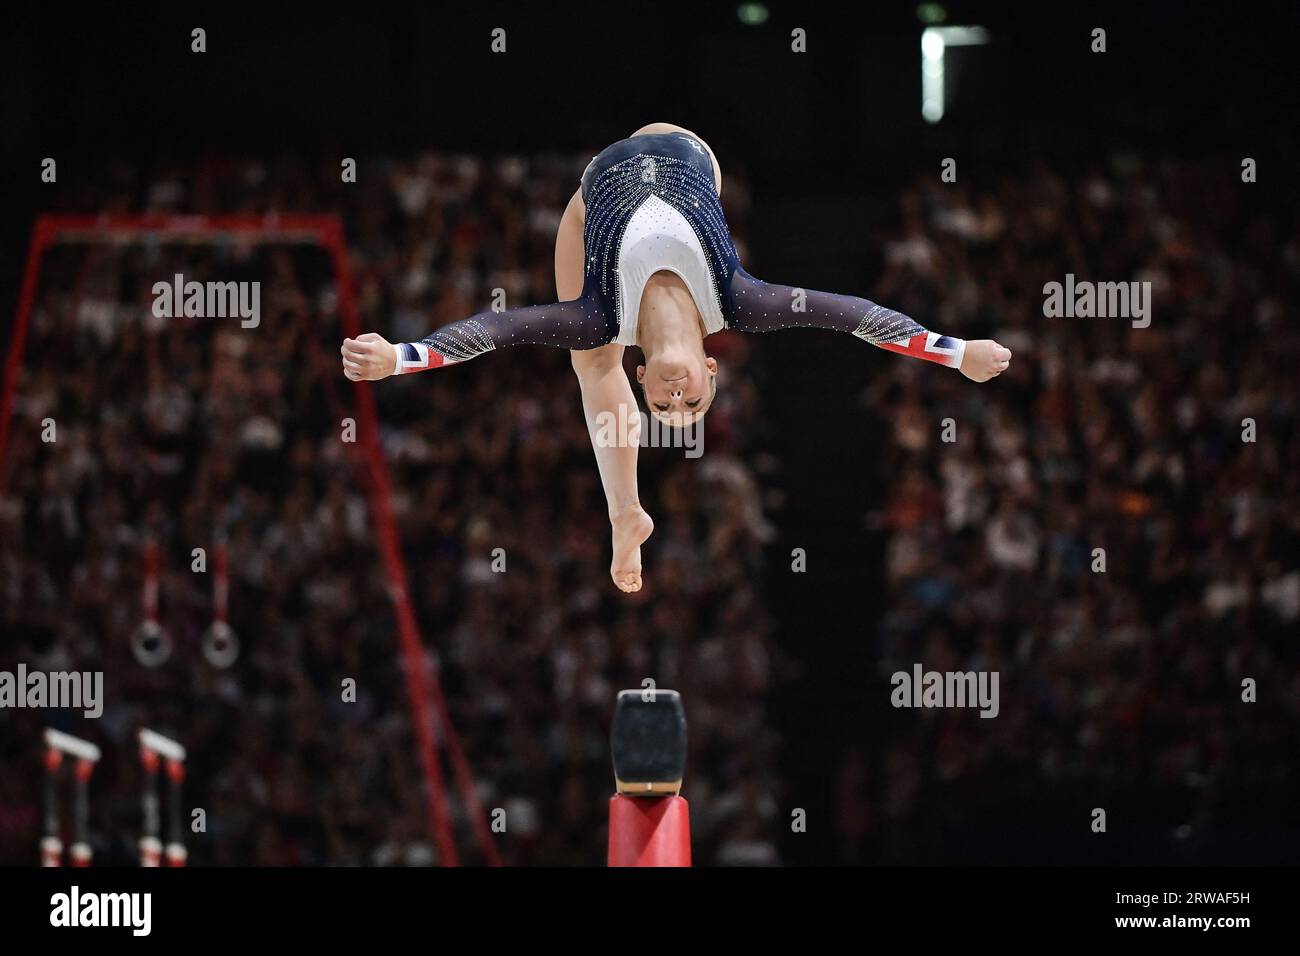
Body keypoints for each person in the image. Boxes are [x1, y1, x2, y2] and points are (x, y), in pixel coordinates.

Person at [341, 122, 1012, 592]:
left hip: (593, 195)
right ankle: (626, 514)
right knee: (590, 353)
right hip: (693, 155)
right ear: (712, 370)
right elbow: (854, 316)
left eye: (662, 405)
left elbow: (497, 329)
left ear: (645, 377)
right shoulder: (740, 301)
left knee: (587, 358)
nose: (674, 397)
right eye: (690, 401)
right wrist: (957, 354)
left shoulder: (599, 316)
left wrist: (400, 357)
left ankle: (623, 514)